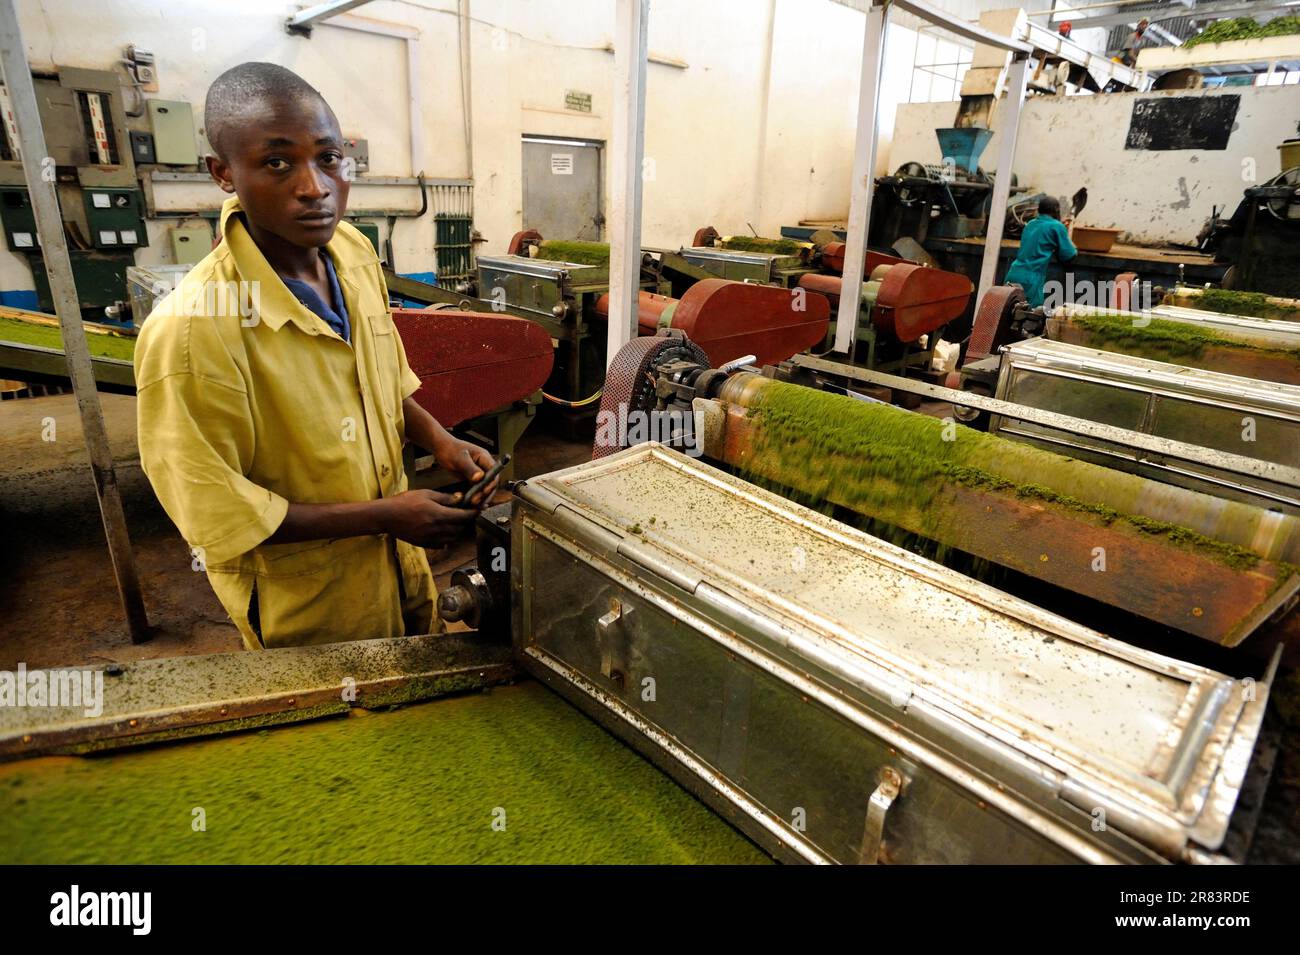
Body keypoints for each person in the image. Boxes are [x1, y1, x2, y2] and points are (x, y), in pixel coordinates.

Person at [134, 62, 498, 649]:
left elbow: (384, 382)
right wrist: (385, 515)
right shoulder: (193, 330)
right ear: (223, 173)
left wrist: (441, 441)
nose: (314, 187)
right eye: (277, 163)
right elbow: (215, 512)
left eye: (328, 158)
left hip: (399, 571)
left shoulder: (350, 251)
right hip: (307, 608)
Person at [1003, 195, 1078, 308]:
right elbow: (1069, 255)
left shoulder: (1030, 224)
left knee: (1006, 313)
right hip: (1031, 279)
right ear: (1057, 210)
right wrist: (1065, 234)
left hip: (1013, 274)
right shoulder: (1056, 226)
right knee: (1029, 317)